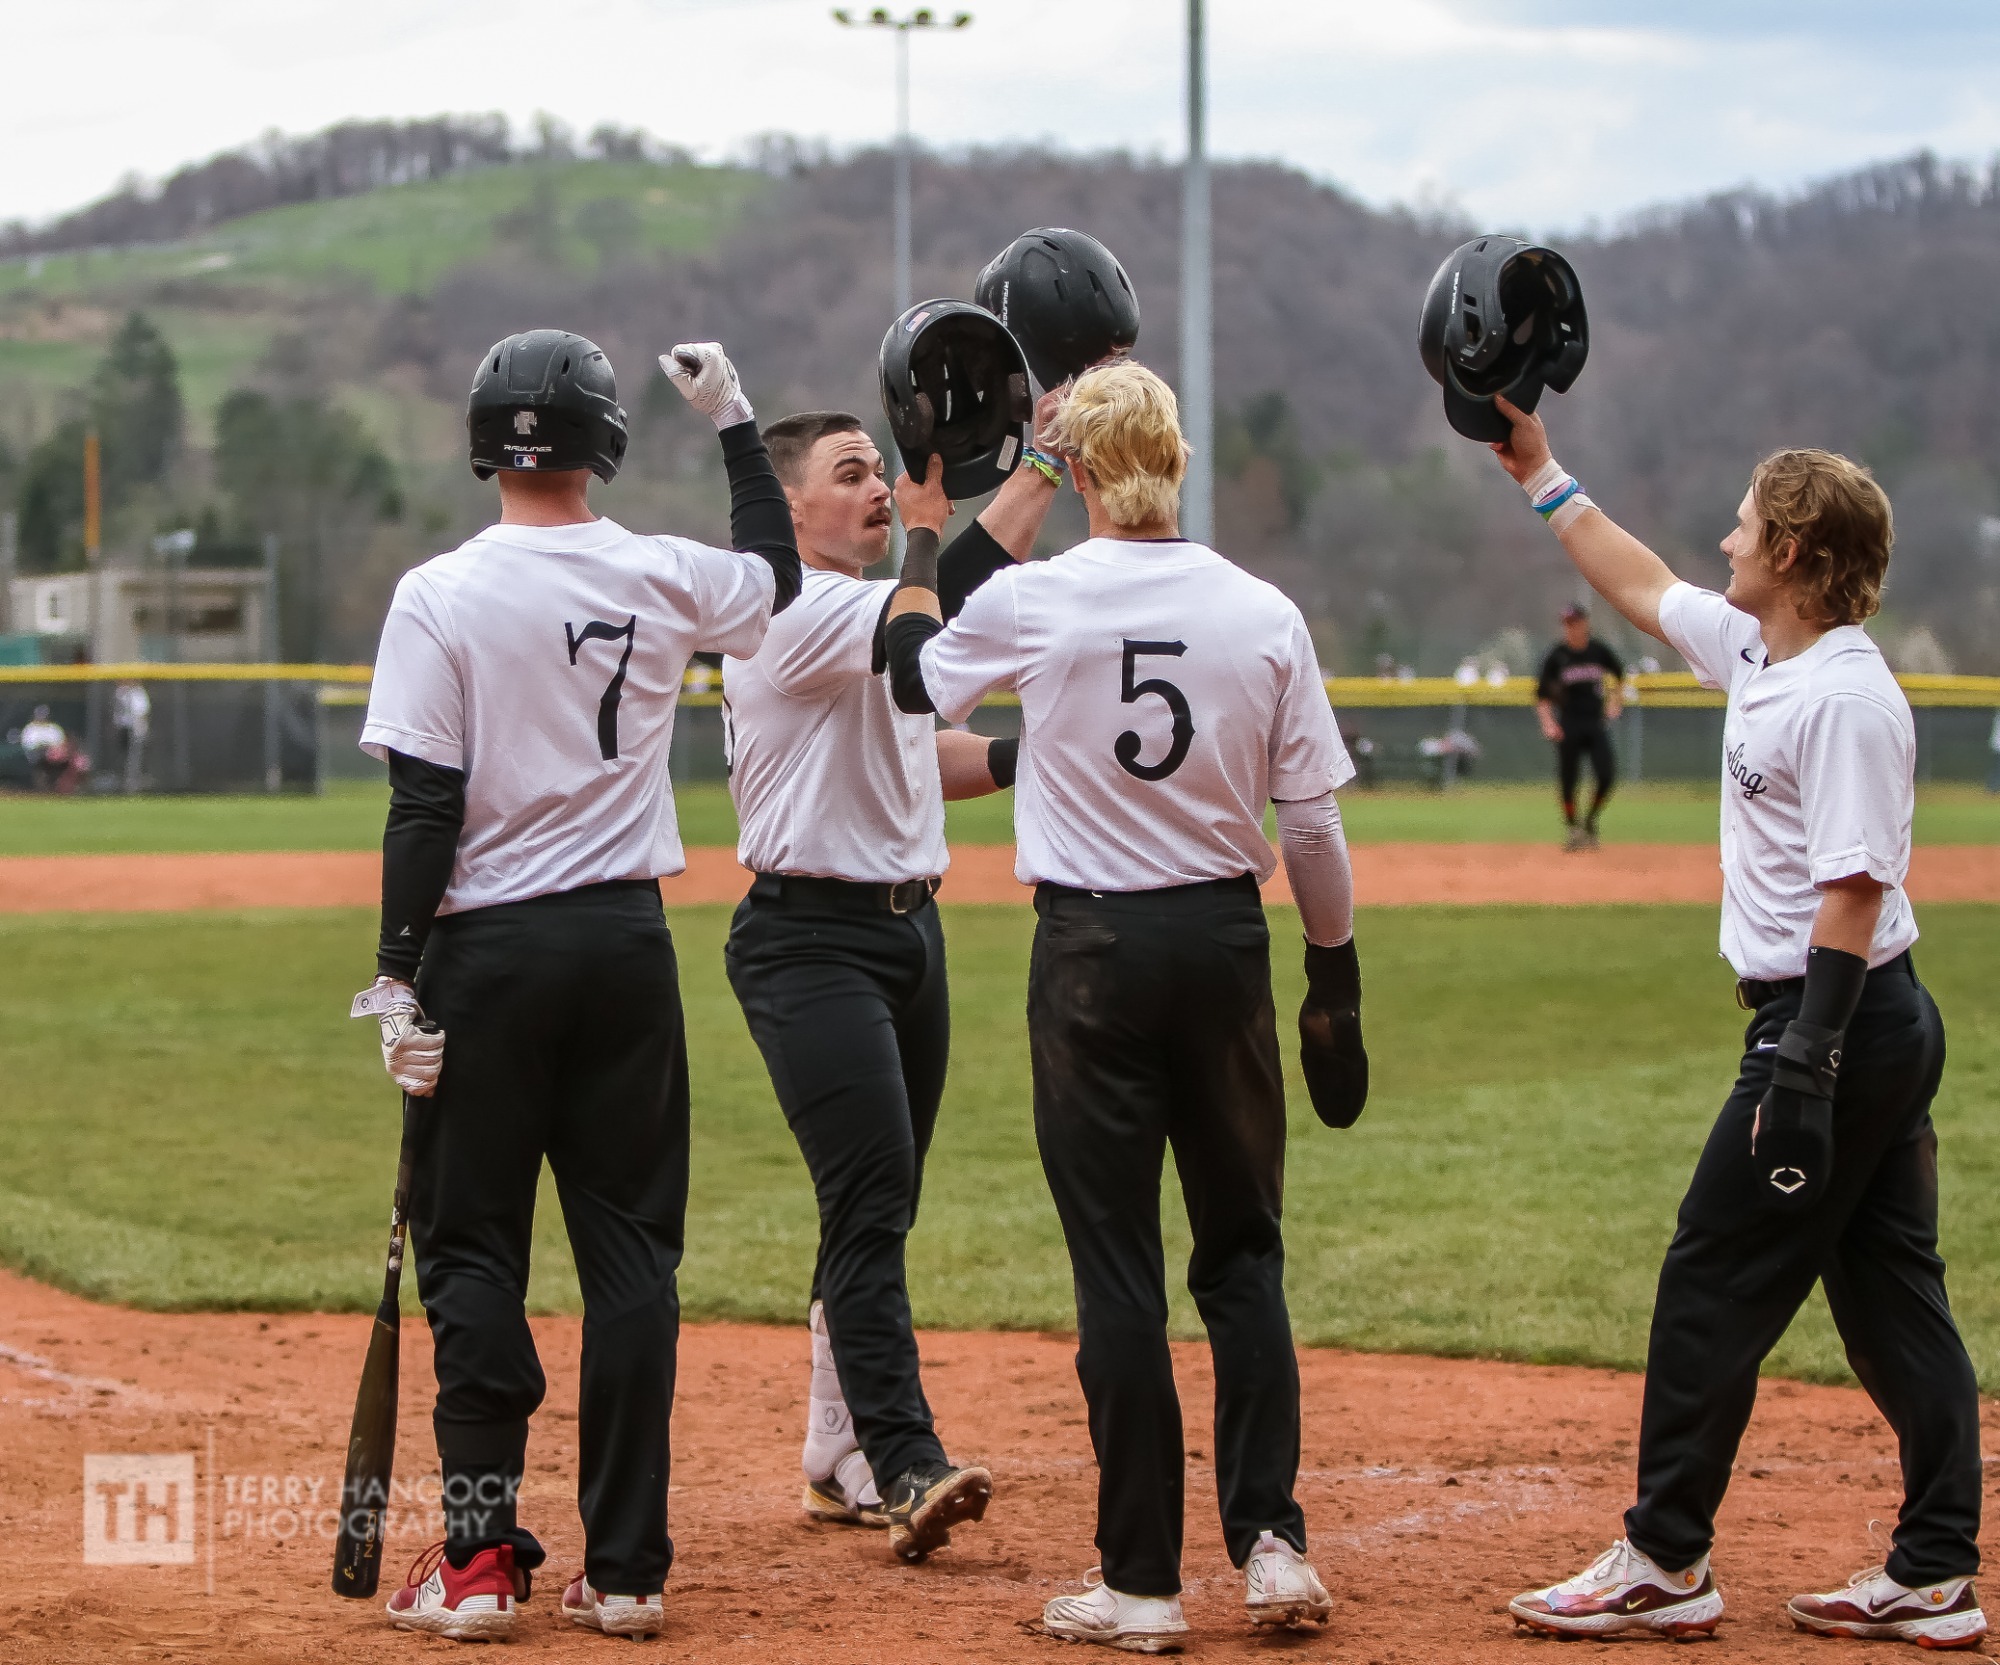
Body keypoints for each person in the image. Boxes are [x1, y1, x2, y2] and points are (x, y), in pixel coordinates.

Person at [881, 361, 1369, 1650]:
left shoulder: (1041, 600)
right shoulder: (1261, 609)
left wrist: (929, 536)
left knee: (1117, 1270)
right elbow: (1309, 818)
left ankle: (1141, 1584)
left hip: (1091, 952)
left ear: (1082, 472)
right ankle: (1270, 1548)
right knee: (1243, 1255)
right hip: (1222, 944)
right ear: (1179, 463)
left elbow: (911, 684)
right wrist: (1334, 975)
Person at [1491, 400, 1985, 1650]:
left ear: (1800, 557)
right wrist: (1538, 471)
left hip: (1840, 1022)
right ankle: (1931, 1572)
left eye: (1748, 526)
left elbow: (1853, 890)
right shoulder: (1767, 658)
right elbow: (1643, 583)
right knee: (1888, 1303)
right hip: (1850, 1022)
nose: (1724, 541)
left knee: (1708, 1273)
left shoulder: (1847, 699)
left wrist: (1803, 1065)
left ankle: (1664, 1559)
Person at [354, 330, 800, 1643]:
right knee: (630, 1259)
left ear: (486, 442)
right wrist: (734, 418)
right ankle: (628, 1568)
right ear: (605, 440)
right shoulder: (657, 571)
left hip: (487, 953)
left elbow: (425, 806)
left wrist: (395, 973)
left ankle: (481, 1561)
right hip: (621, 949)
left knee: (477, 1247)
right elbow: (772, 582)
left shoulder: (438, 591)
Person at [720, 401, 1064, 1560]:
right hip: (806, 942)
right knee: (870, 1202)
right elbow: (951, 593)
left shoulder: (879, 615)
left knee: (877, 1205)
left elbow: (934, 748)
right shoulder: (793, 610)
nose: (877, 486)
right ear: (789, 509)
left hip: (906, 937)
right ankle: (905, 1461)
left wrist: (1037, 752)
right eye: (850, 472)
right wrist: (1044, 468)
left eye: (880, 469)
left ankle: (836, 1453)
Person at [1536, 602, 1624, 849]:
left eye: (1574, 623)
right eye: (1567, 624)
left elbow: (1619, 676)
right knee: (1568, 780)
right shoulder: (1557, 657)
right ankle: (1573, 828)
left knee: (1606, 775)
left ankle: (1590, 820)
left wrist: (1614, 702)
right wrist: (1548, 723)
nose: (1570, 628)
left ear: (1584, 623)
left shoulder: (1598, 652)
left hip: (1595, 723)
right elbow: (1542, 696)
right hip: (1569, 724)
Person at [112, 681, 150, 793]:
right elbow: (118, 713)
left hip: (135, 729)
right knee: (123, 756)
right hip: (123, 728)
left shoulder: (138, 692)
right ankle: (124, 782)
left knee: (135, 757)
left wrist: (141, 728)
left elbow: (142, 712)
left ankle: (134, 783)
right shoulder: (120, 692)